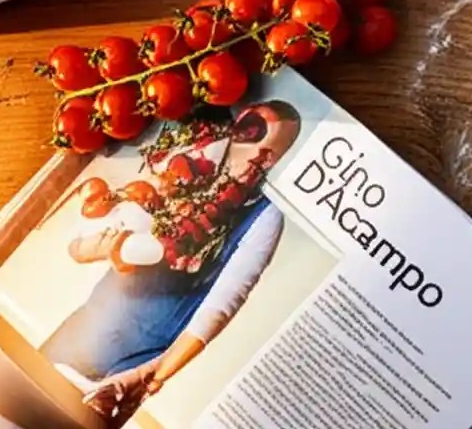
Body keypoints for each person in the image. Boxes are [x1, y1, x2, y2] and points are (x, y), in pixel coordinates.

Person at [39, 101, 303, 425]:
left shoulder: (265, 216)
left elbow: (219, 309)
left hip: (125, 376)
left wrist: (148, 376)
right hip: (74, 341)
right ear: (238, 127)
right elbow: (79, 245)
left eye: (276, 152)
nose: (261, 154)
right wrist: (108, 246)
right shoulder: (184, 160)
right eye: (255, 133)